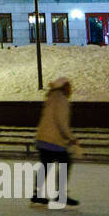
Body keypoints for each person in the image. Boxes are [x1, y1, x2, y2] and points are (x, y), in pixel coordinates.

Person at [31, 77, 80, 207]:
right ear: (64, 87)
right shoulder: (61, 99)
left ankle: (36, 194)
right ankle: (60, 195)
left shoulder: (52, 97)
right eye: (69, 86)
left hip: (43, 138)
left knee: (46, 166)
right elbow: (61, 122)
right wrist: (71, 138)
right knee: (65, 163)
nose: (71, 89)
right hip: (53, 140)